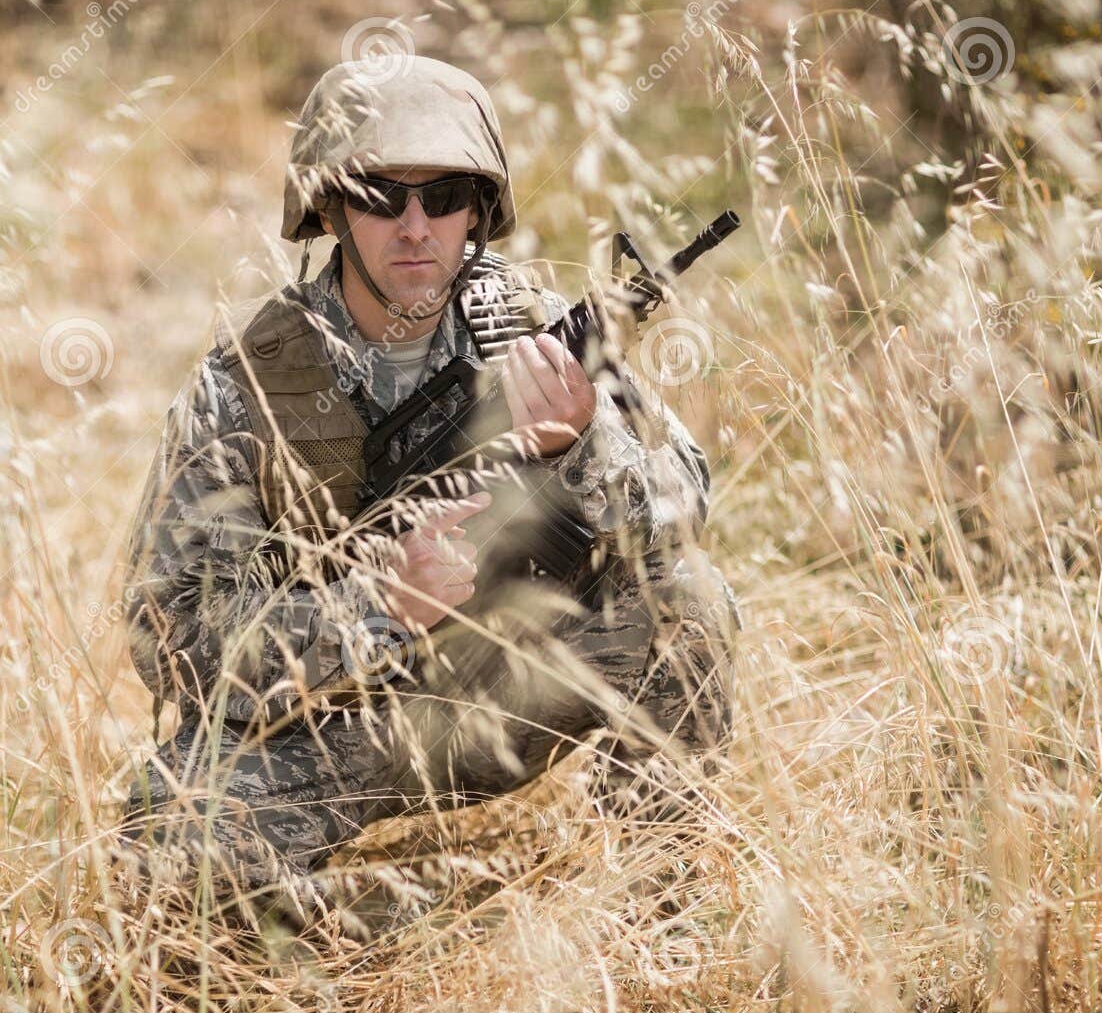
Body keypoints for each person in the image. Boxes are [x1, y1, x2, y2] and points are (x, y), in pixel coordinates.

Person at [115, 55, 738, 937]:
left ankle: (657, 910)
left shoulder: (530, 333)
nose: (415, 225)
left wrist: (578, 445)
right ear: (329, 206)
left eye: (445, 195)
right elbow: (169, 639)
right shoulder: (245, 386)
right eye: (380, 194)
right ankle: (467, 915)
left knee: (688, 603)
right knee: (164, 846)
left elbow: (679, 513)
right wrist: (375, 605)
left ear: (478, 212)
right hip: (325, 729)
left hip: (509, 684)